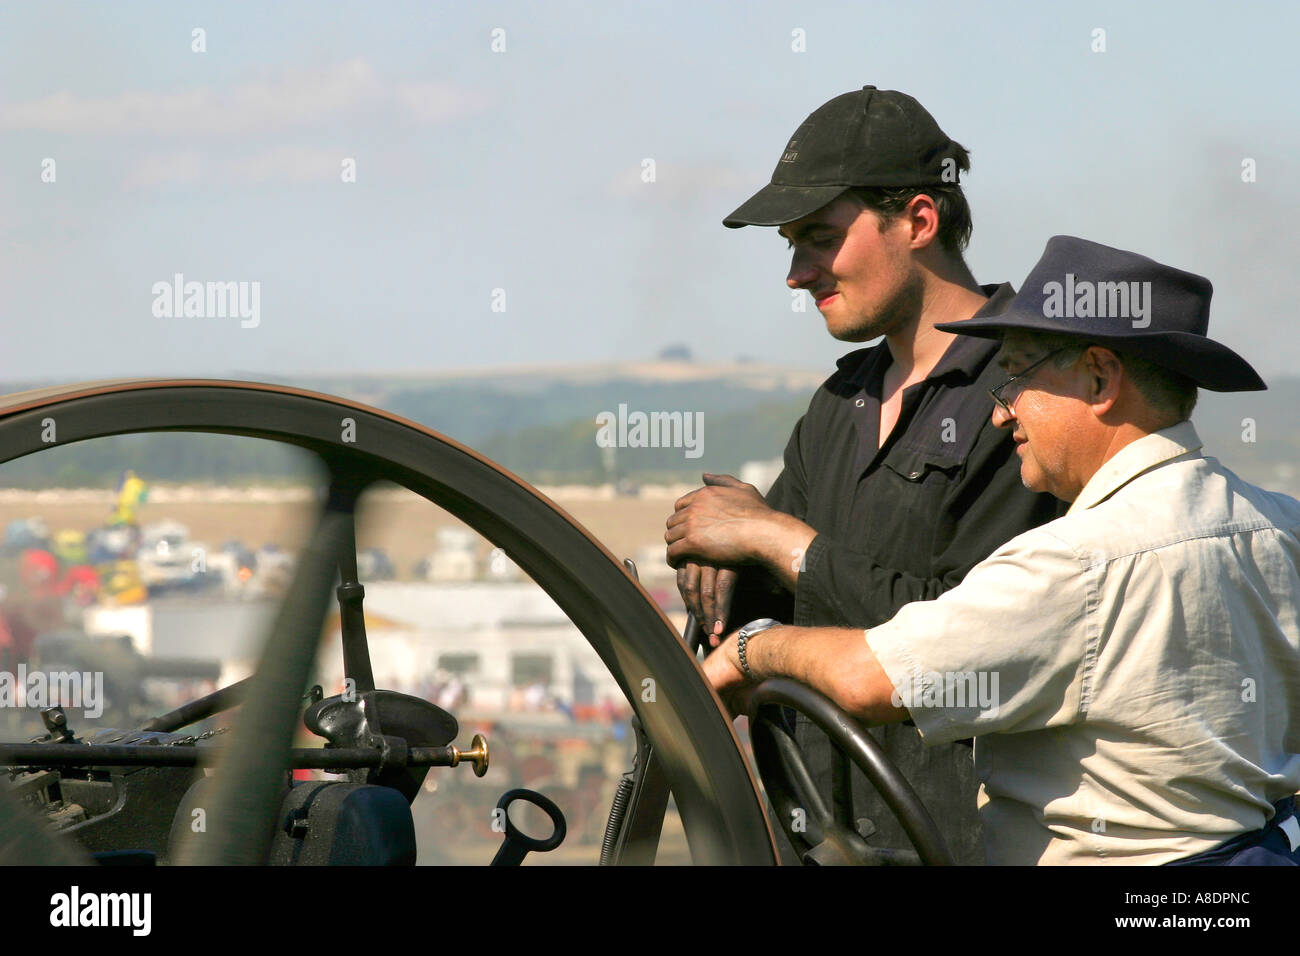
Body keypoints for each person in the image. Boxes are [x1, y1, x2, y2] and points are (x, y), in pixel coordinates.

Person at [704, 235, 1300, 865]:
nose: (998, 415)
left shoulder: (1075, 565)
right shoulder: (1282, 527)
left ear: (1099, 378)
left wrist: (752, 649)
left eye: (1015, 377)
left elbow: (868, 680)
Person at [664, 86, 1062, 862]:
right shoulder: (838, 404)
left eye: (819, 238)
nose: (796, 273)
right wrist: (715, 553)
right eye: (790, 243)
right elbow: (768, 608)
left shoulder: (1025, 400)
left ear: (918, 220)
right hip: (822, 837)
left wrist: (776, 538)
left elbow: (960, 639)